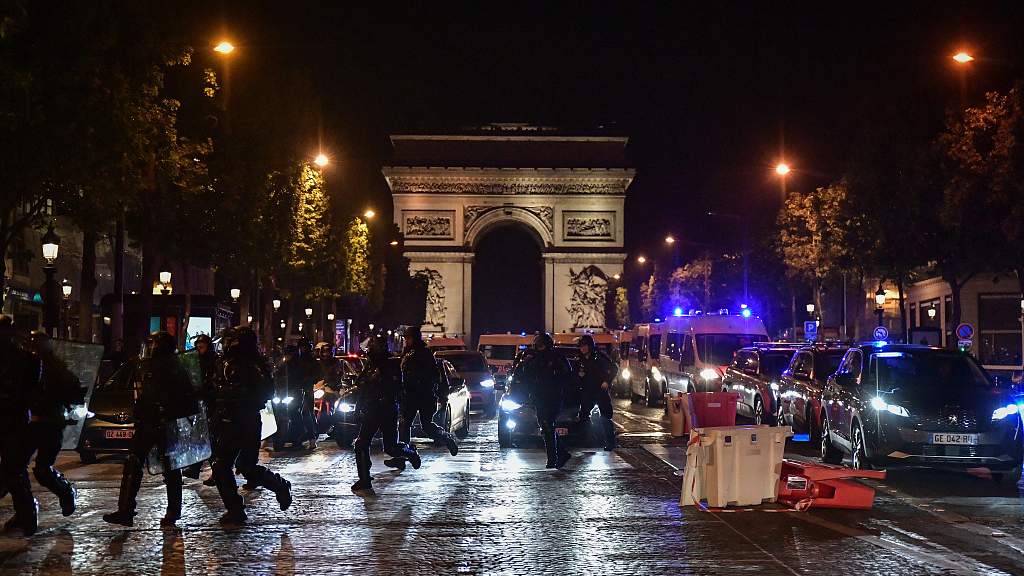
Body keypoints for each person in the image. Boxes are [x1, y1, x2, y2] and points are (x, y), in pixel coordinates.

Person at [103, 331, 200, 528]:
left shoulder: (175, 369)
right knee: (132, 462)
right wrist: (139, 410)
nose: (151, 348)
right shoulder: (148, 368)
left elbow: (189, 402)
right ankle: (125, 511)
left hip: (166, 425)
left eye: (153, 345)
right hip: (147, 422)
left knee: (170, 469)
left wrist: (170, 413)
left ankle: (173, 511)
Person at [206, 326, 292, 526]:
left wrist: (230, 393)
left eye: (232, 341)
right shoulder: (224, 363)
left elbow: (265, 393)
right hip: (227, 419)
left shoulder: (254, 366)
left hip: (246, 420)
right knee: (220, 466)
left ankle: (279, 486)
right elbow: (212, 386)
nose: (228, 344)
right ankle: (236, 510)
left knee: (248, 468)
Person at [20, 332, 87, 517]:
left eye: (34, 348)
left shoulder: (55, 368)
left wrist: (53, 398)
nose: (30, 351)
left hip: (51, 423)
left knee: (42, 469)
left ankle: (66, 493)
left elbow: (74, 387)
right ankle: (23, 510)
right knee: (15, 469)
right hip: (31, 423)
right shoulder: (25, 365)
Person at [351, 336, 420, 492]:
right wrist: (358, 408)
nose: (369, 350)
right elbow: (362, 389)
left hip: (386, 411)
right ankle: (364, 478)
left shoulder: (391, 366)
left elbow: (396, 387)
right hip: (370, 411)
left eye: (372, 347)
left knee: (391, 448)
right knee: (361, 444)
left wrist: (386, 398)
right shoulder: (368, 367)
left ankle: (410, 452)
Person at [386, 326, 458, 470]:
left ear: (415, 338)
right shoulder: (407, 353)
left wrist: (417, 379)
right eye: (405, 338)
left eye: (409, 338)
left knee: (426, 425)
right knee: (404, 425)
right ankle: (402, 456)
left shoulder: (424, 354)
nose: (406, 341)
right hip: (410, 395)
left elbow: (431, 374)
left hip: (423, 394)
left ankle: (447, 439)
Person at [0, 315, 42, 536]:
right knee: (14, 470)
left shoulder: (26, 360)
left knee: (14, 470)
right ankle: (25, 513)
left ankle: (26, 513)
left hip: (14, 419)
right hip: (14, 418)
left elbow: (31, 392)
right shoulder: (27, 360)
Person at [515, 333, 573, 468]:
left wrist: (557, 384)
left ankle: (553, 458)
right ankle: (562, 453)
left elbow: (567, 375)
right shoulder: (531, 358)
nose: (540, 348)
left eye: (542, 345)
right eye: (538, 346)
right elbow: (522, 376)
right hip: (538, 396)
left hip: (553, 395)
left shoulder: (557, 358)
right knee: (545, 426)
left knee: (547, 424)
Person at [577, 335, 618, 451]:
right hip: (588, 391)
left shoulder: (599, 357)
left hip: (600, 391)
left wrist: (607, 381)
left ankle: (610, 442)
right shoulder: (580, 359)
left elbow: (613, 368)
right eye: (581, 346)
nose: (582, 348)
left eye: (584, 346)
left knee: (605, 417)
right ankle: (589, 440)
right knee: (583, 416)